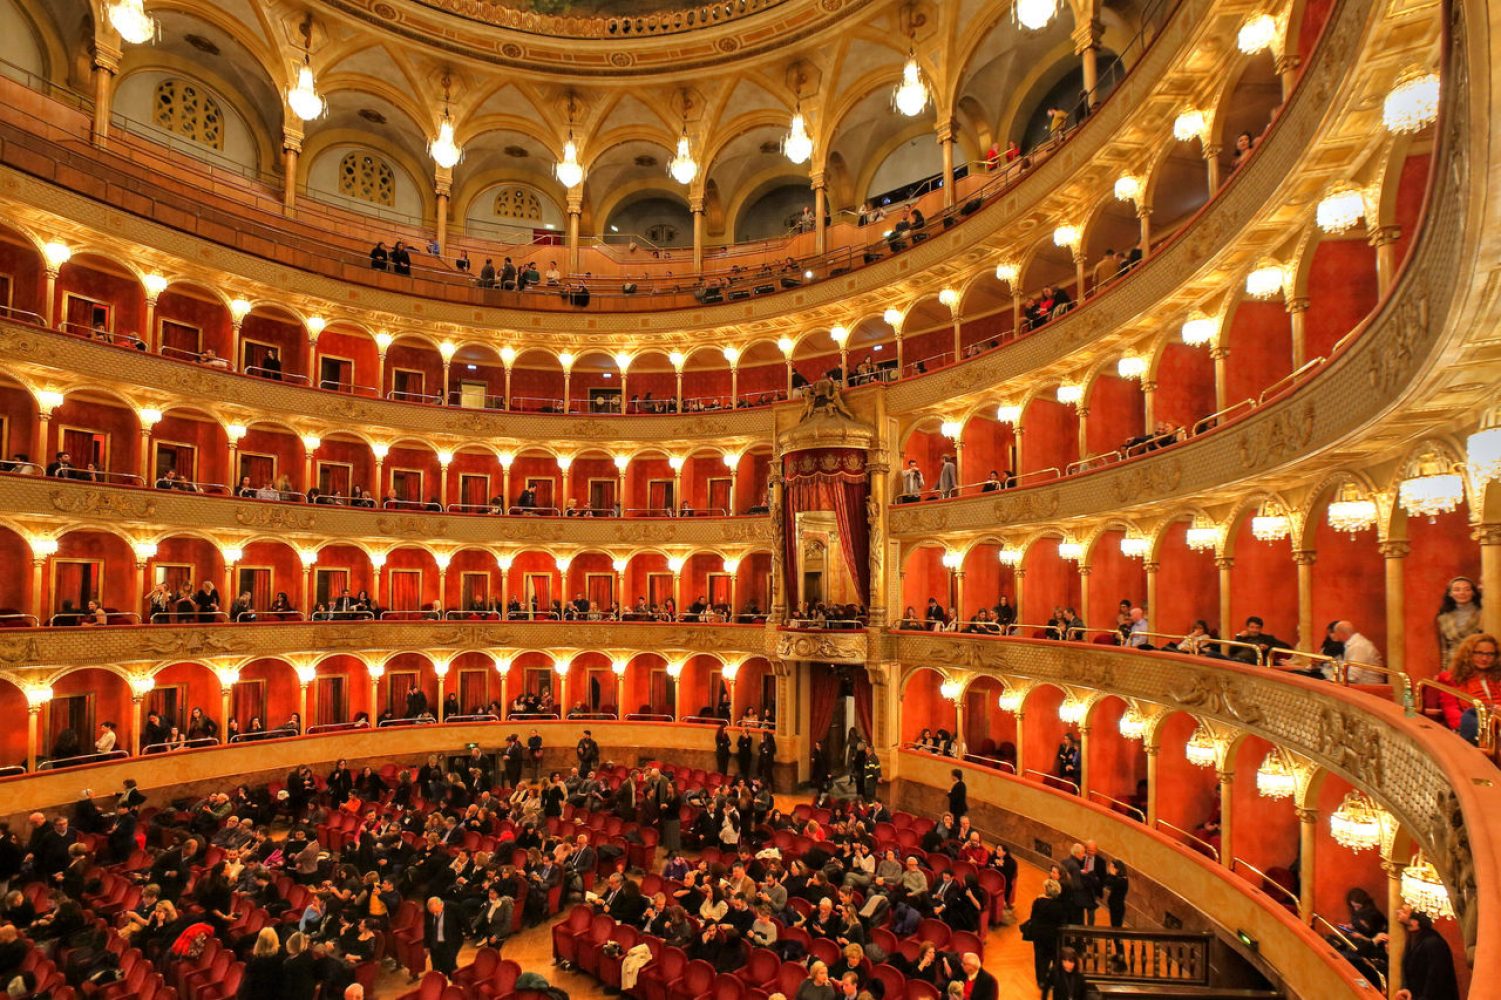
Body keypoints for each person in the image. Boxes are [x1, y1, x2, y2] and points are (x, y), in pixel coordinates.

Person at [1391, 904, 1459, 1000]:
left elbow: (1435, 982)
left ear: (1415, 923)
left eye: (1404, 912)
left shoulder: (1434, 943)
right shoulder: (1413, 938)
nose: (1398, 912)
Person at [1022, 879, 1066, 989]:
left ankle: (1041, 980)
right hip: (1052, 935)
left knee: (1039, 957)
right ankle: (1052, 979)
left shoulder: (1038, 902)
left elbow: (1033, 917)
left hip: (1039, 934)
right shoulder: (1059, 906)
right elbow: (1061, 921)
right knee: (1052, 956)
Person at [1435, 576, 1482, 669]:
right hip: (1453, 663)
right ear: (1450, 593)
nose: (1462, 593)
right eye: (1457, 590)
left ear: (1473, 592)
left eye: (1467, 589)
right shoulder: (1443, 618)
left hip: (1479, 662)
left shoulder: (1483, 614)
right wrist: (1444, 669)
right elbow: (1445, 648)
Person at [424, 895, 463, 975]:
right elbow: (427, 930)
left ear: (441, 906)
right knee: (436, 968)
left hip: (449, 944)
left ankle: (455, 980)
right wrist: (426, 945)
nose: (434, 914)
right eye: (432, 912)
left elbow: (462, 923)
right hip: (435, 945)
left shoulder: (452, 910)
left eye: (436, 911)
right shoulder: (429, 913)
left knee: (450, 966)